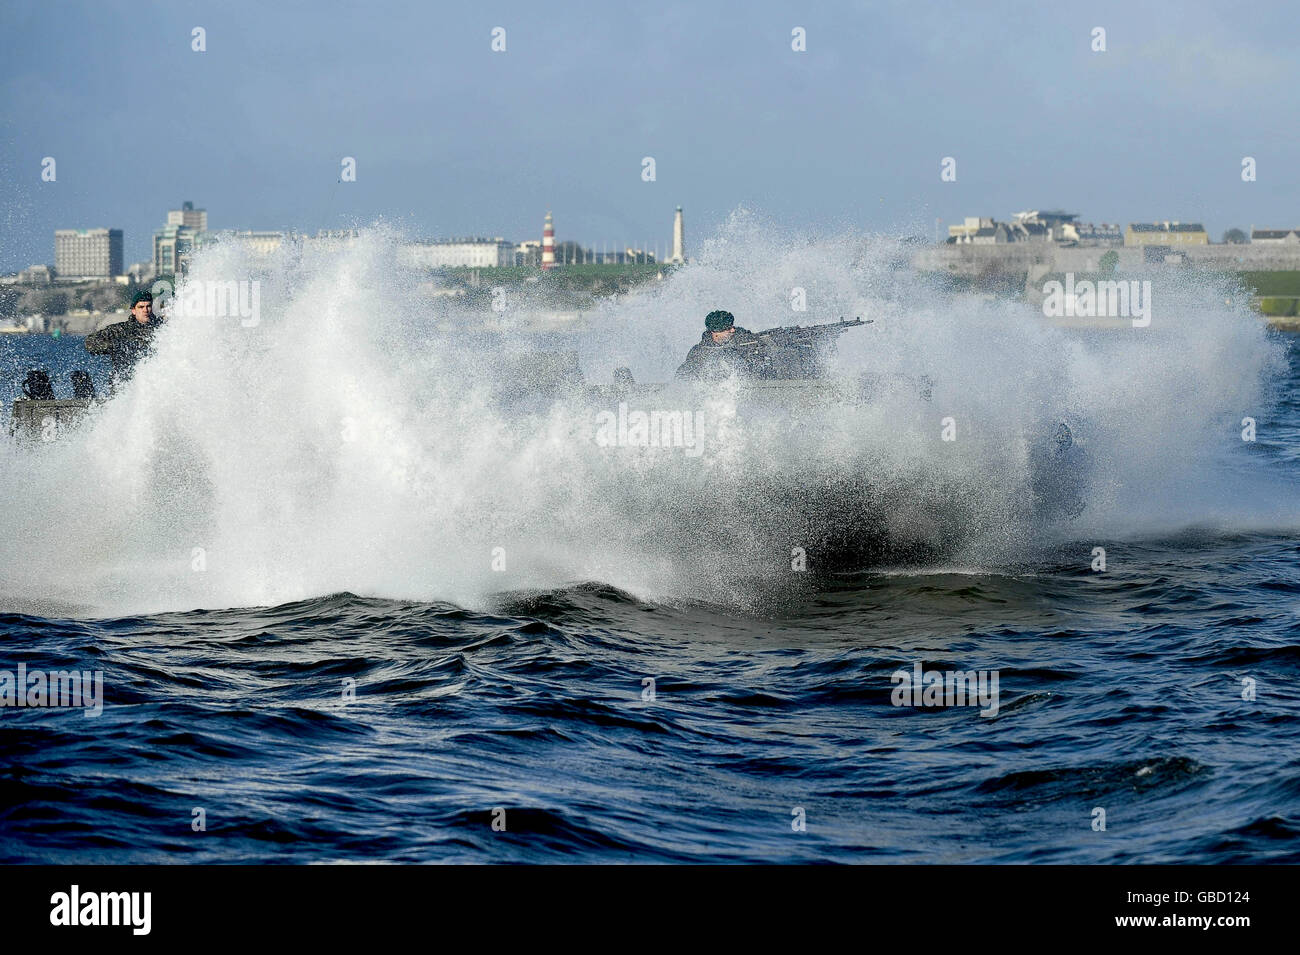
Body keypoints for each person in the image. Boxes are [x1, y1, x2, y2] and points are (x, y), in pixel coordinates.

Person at [85, 290, 163, 386]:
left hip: (155, 384)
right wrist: (115, 346)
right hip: (123, 387)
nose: (145, 310)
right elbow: (90, 342)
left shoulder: (162, 328)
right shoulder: (120, 330)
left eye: (148, 306)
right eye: (141, 307)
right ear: (133, 310)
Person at [674, 310, 769, 380]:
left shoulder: (740, 336)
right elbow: (682, 375)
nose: (733, 330)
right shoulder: (700, 352)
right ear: (715, 332)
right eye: (728, 328)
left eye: (732, 326)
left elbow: (759, 339)